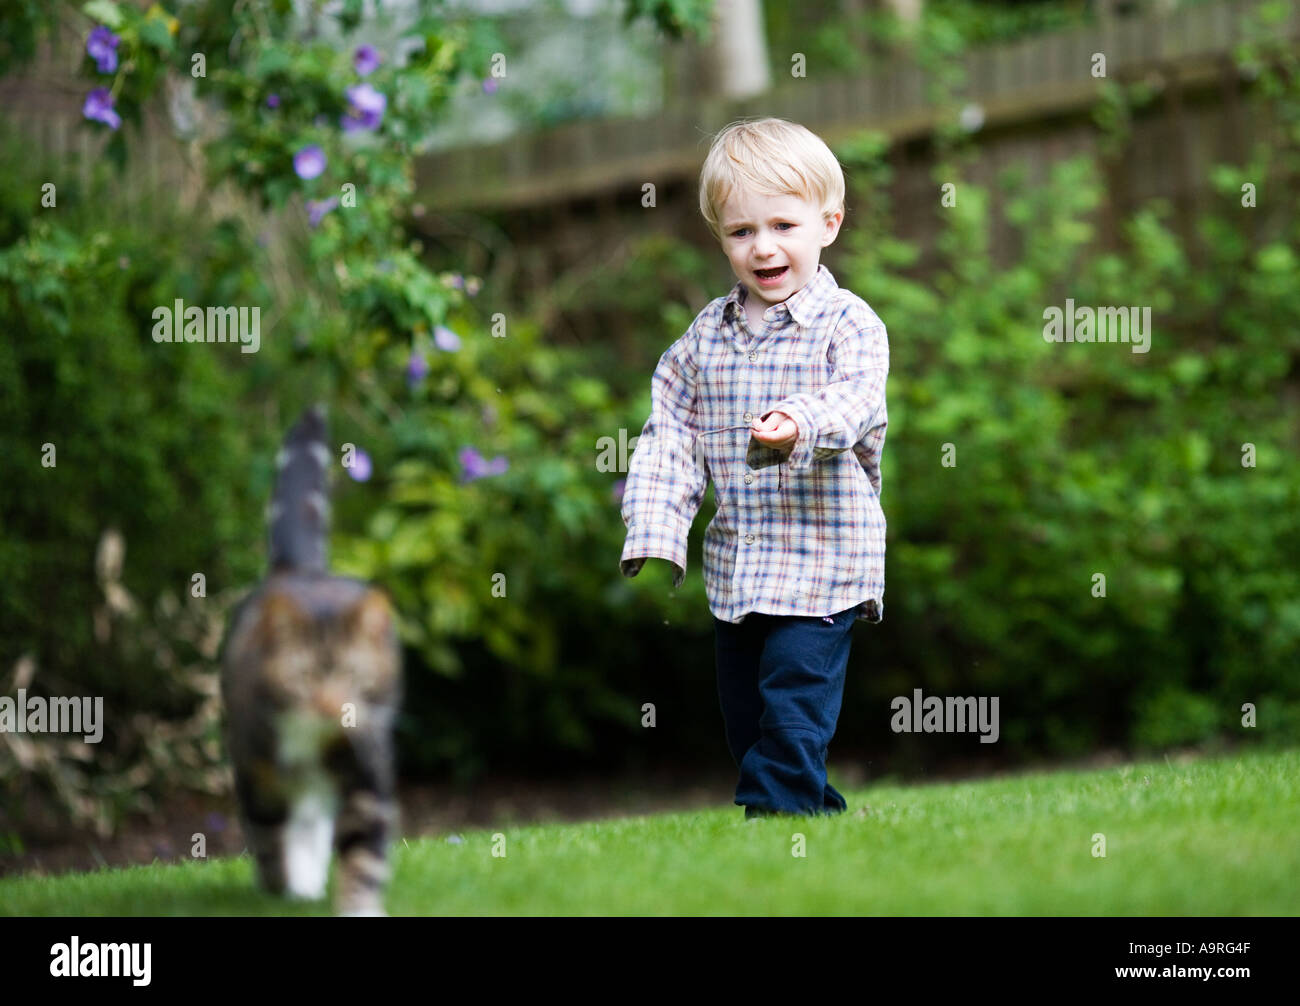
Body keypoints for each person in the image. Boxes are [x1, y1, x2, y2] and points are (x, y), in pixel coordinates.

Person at [619, 117, 890, 818]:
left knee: (793, 708)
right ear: (722, 239)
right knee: (750, 722)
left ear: (827, 224)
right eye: (742, 232)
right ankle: (813, 820)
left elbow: (856, 400)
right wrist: (656, 522)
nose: (763, 247)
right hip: (742, 566)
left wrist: (799, 419)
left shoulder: (849, 324)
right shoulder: (705, 337)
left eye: (782, 225)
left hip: (828, 561)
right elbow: (669, 430)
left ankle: (775, 832)